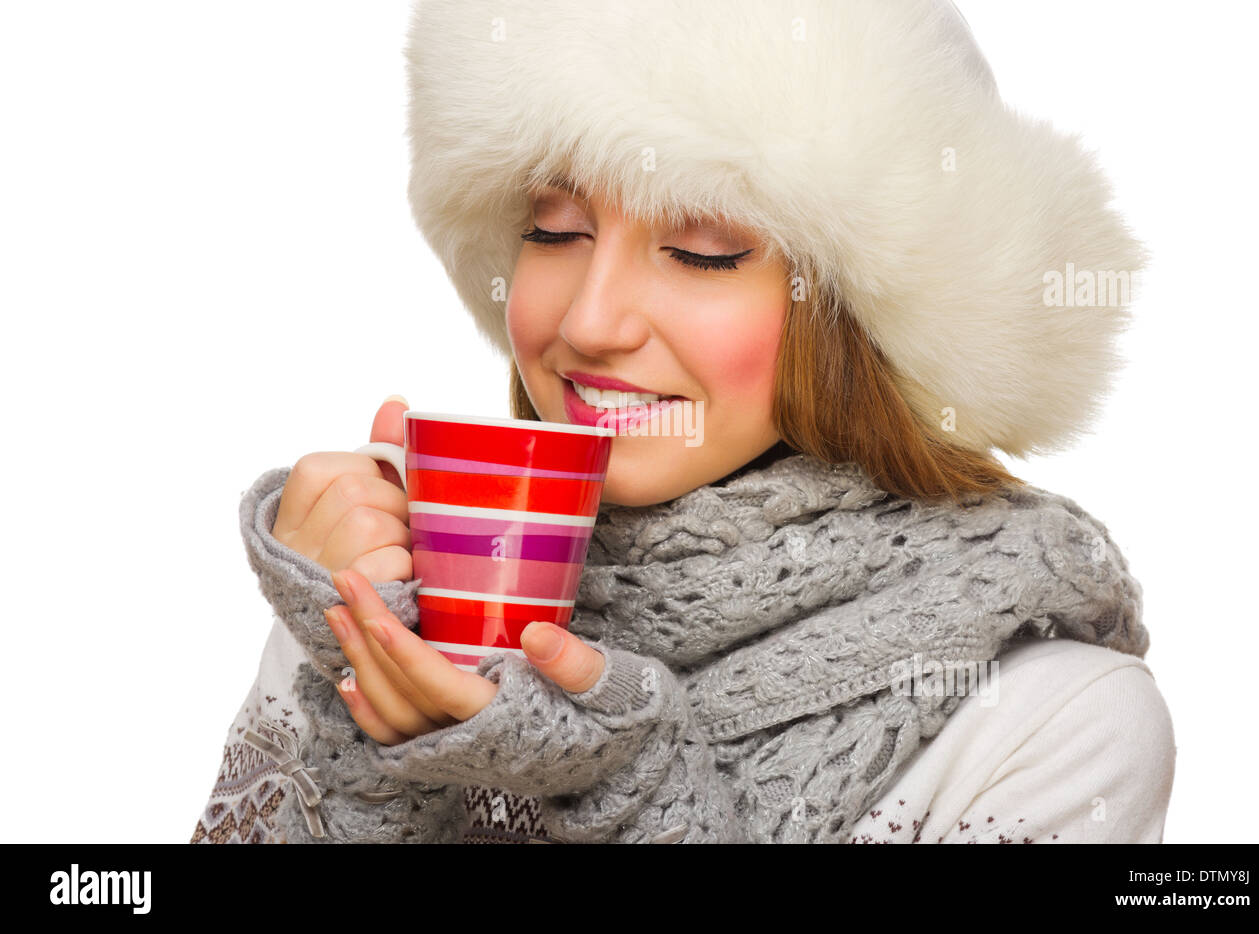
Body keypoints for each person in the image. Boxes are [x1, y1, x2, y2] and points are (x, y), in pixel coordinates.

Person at [192, 0, 1175, 844]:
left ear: (859, 317)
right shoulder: (389, 601)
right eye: (554, 230)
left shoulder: (1052, 720)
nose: (587, 321)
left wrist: (621, 787)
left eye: (702, 252)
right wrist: (356, 710)